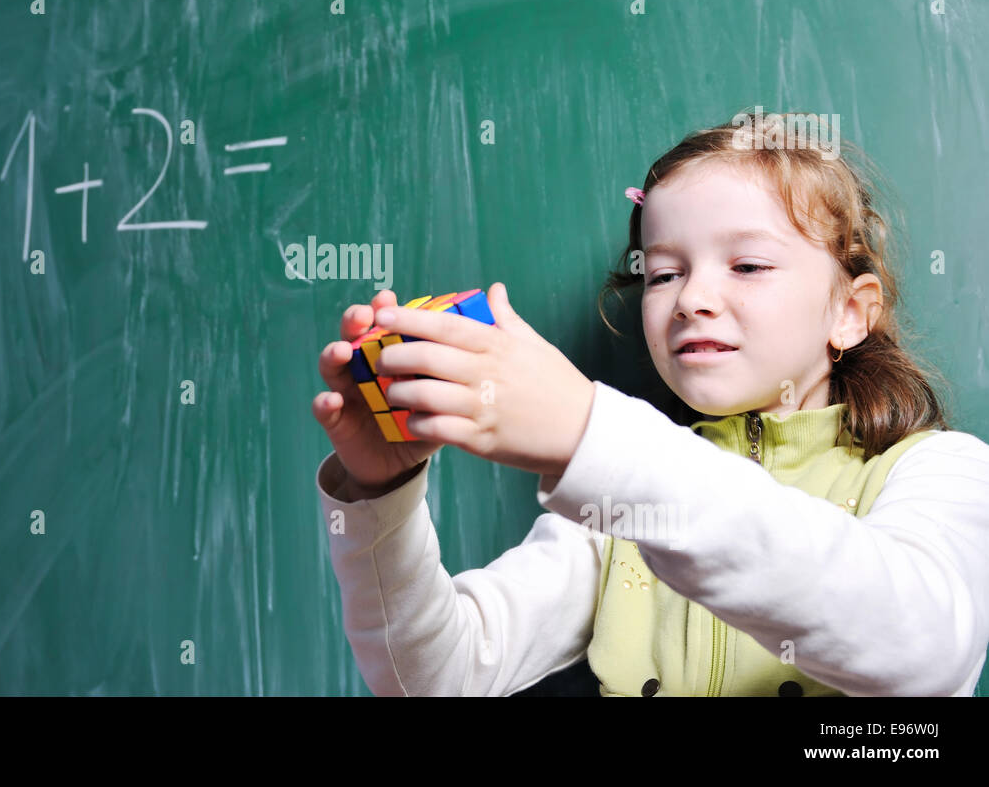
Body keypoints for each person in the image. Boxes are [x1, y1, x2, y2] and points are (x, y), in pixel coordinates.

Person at [310, 111, 989, 696]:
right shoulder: (609, 517)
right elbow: (436, 677)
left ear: (850, 312)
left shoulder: (941, 470)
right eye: (664, 273)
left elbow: (923, 646)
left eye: (748, 265)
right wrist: (382, 495)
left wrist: (589, 433)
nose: (692, 298)